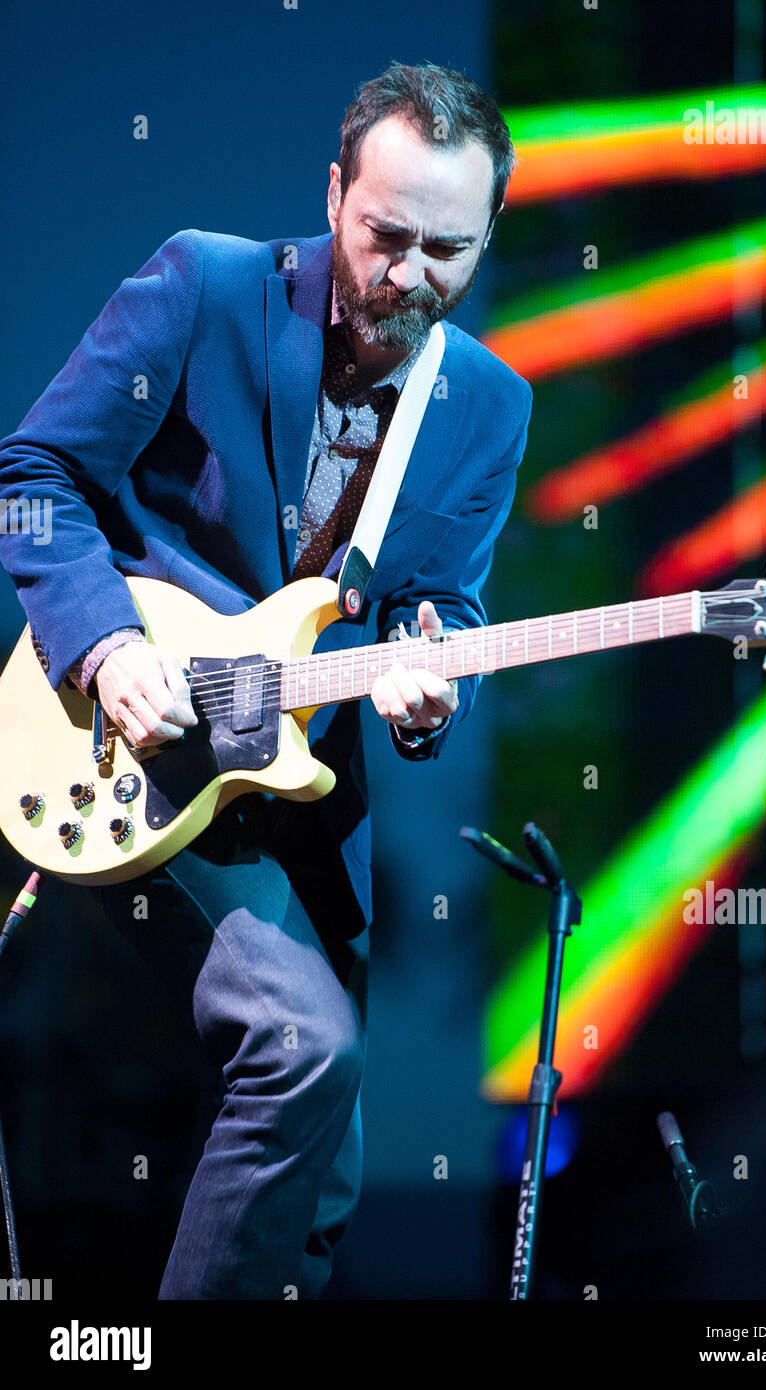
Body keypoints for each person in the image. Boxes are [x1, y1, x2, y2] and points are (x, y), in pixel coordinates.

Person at [0, 61, 532, 1298]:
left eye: (445, 250)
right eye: (383, 235)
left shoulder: (487, 405)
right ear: (333, 191)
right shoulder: (207, 284)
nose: (408, 277)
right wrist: (105, 643)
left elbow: (436, 604)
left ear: (490, 231)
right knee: (300, 1047)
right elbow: (33, 473)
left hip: (296, 792)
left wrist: (427, 681)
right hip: (133, 750)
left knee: (321, 1200)